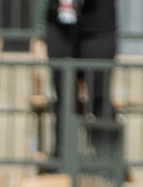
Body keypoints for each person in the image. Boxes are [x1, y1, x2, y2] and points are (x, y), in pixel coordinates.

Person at [44, 0, 119, 163]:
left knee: (100, 98)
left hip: (98, 23)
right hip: (60, 23)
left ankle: (107, 160)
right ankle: (62, 159)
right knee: (64, 98)